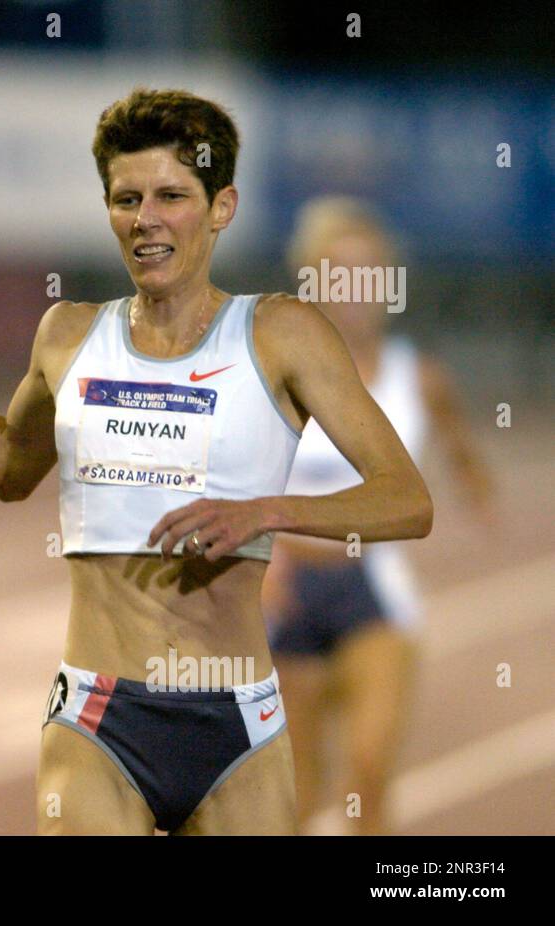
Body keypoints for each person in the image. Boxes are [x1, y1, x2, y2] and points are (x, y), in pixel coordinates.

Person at [0, 87, 432, 835]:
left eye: (172, 195)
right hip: (100, 718)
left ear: (222, 206)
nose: (146, 219)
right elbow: (9, 466)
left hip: (240, 720)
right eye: (126, 198)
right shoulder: (69, 334)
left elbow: (406, 499)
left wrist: (266, 511)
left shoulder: (282, 334)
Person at [262, 196, 497, 835]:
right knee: (299, 794)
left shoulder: (416, 377)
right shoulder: (275, 377)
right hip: (285, 598)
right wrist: (259, 562)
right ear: (311, 281)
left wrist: (476, 486)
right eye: (338, 272)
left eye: (368, 273)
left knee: (368, 772)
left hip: (373, 591)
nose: (354, 290)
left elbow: (458, 444)